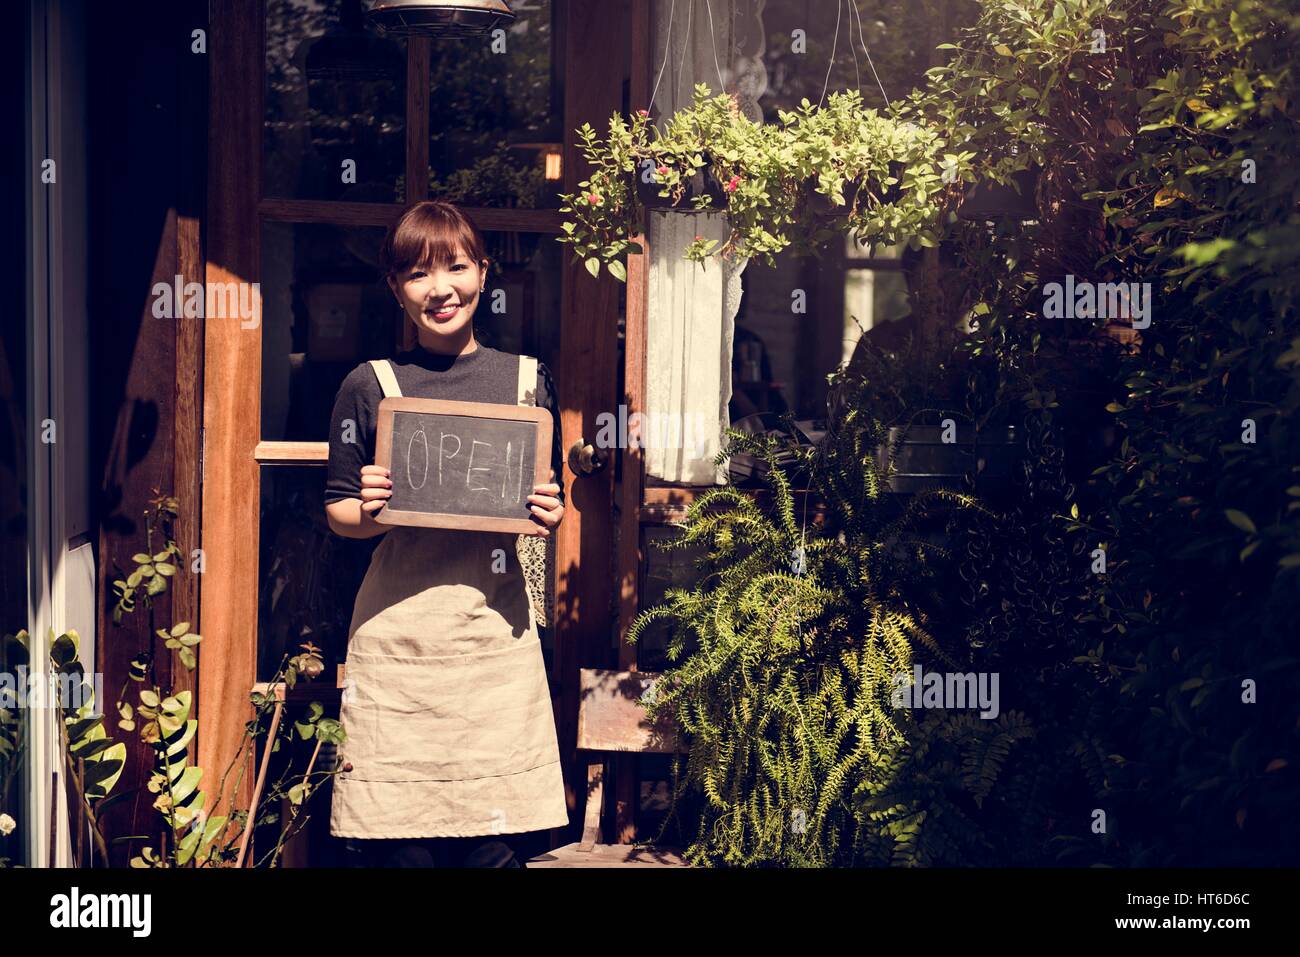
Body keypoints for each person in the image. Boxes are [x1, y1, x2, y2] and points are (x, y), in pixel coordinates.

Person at [323, 200, 569, 868]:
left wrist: (549, 512)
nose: (441, 289)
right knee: (404, 850)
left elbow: (550, 504)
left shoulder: (525, 382)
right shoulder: (371, 384)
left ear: (483, 273)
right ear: (396, 288)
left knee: (491, 847)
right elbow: (340, 512)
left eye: (457, 266)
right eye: (419, 273)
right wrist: (370, 510)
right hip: (398, 636)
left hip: (493, 637)